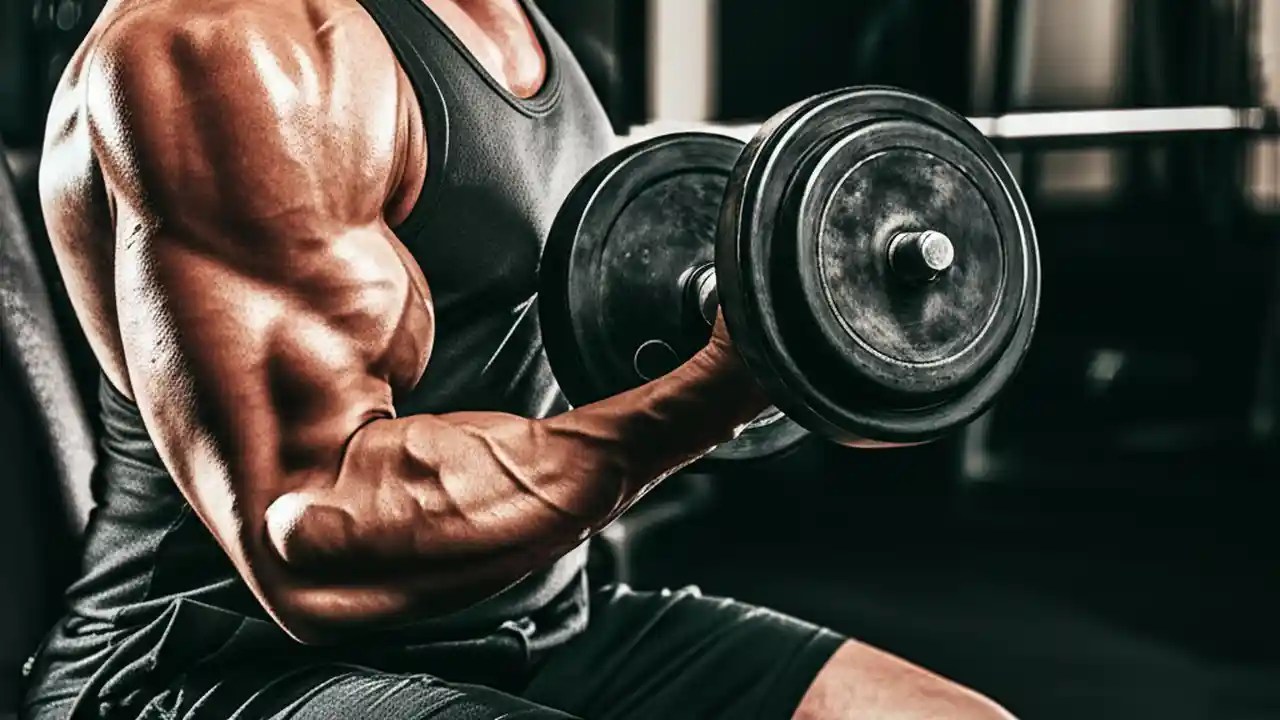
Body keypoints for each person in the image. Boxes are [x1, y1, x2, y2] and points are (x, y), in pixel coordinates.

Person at [22, 0, 1016, 718]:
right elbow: (316, 530)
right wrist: (724, 384)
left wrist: (764, 328)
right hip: (222, 673)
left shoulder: (516, 28)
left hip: (547, 630)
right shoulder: (236, 43)